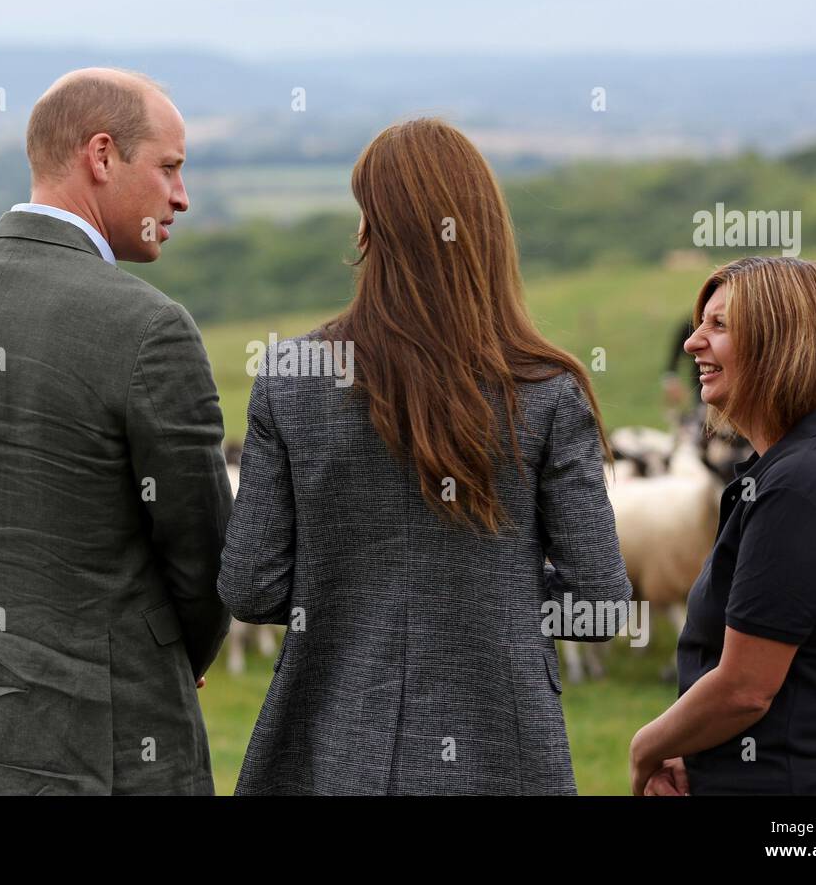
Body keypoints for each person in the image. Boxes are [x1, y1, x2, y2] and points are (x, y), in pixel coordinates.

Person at [218, 117, 631, 795]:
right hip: (505, 754)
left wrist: (346, 593)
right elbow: (602, 604)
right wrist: (497, 599)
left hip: (328, 748)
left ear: (369, 233)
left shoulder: (290, 378)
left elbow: (251, 587)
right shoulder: (548, 392)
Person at [0, 68, 233, 795]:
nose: (182, 197)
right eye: (169, 167)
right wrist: (175, 655)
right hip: (110, 751)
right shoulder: (148, 328)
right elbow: (204, 555)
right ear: (101, 157)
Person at [630, 255, 816, 795]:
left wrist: (649, 746)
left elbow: (745, 689)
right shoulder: (807, 463)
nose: (692, 343)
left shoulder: (803, 483)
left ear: (783, 342)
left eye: (720, 325)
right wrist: (708, 758)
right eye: (699, 322)